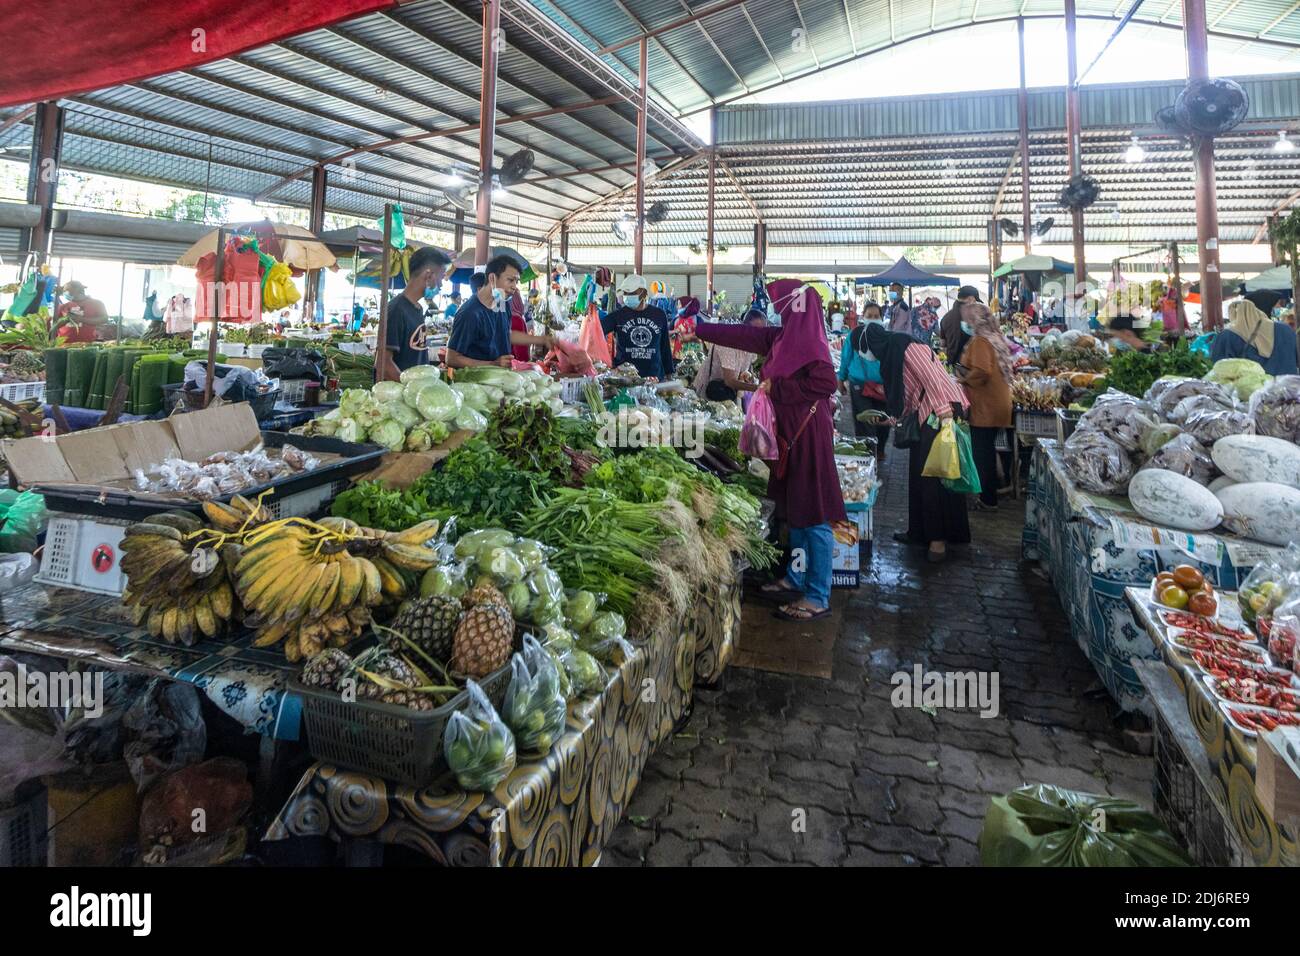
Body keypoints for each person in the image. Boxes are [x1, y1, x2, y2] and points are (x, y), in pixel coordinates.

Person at [685, 280, 846, 620]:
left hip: (808, 438)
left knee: (813, 514)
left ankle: (818, 596)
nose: (779, 311)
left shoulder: (811, 346)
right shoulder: (781, 338)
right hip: (787, 436)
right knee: (795, 511)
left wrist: (779, 387)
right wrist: (699, 327)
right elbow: (742, 336)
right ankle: (795, 575)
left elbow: (826, 383)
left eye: (784, 306)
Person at [866, 322, 970, 563]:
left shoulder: (909, 347)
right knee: (918, 474)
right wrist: (892, 419)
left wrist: (944, 412)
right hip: (928, 413)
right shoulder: (893, 353)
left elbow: (932, 378)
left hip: (940, 412)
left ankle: (938, 541)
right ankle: (919, 532)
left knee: (933, 476)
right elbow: (910, 393)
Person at [446, 254, 553, 370]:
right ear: (492, 278)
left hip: (501, 379)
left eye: (516, 282)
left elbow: (506, 334)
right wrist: (493, 364)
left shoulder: (502, 303)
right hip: (477, 383)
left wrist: (541, 339)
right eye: (510, 280)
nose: (514, 287)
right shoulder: (469, 313)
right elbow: (451, 358)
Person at [955, 303, 1013, 512]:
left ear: (974, 321)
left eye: (967, 320)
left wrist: (963, 380)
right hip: (999, 401)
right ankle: (998, 488)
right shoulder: (995, 336)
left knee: (983, 452)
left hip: (986, 404)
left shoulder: (980, 341)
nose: (965, 324)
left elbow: (981, 371)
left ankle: (988, 499)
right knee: (989, 448)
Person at [378, 246, 451, 381]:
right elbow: (383, 363)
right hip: (401, 396)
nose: (441, 285)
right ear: (428, 276)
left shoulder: (417, 308)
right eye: (441, 277)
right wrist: (410, 389)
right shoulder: (396, 309)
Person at [837, 301, 890, 461]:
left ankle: (879, 450)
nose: (873, 319)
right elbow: (845, 359)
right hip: (859, 384)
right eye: (869, 316)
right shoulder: (854, 335)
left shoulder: (887, 337)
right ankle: (867, 454)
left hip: (883, 385)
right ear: (863, 317)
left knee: (883, 419)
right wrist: (841, 379)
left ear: (881, 318)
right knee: (863, 420)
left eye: (876, 316)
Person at [600, 274, 674, 381]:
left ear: (643, 293)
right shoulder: (618, 315)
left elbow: (665, 346)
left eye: (631, 293)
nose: (627, 296)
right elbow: (597, 331)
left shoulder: (659, 314)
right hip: (625, 379)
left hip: (654, 378)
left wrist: (669, 374)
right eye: (625, 293)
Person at [1211, 291, 1299, 376]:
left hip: (1250, 390)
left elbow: (1219, 369)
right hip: (1289, 387)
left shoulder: (1227, 336)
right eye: (1274, 307)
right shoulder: (1285, 329)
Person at [693, 306, 764, 401]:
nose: (760, 335)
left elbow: (746, 369)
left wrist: (749, 376)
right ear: (745, 327)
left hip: (729, 394)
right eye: (756, 331)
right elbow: (729, 381)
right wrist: (757, 388)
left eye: (763, 331)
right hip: (710, 390)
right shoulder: (728, 342)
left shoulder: (752, 345)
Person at [939, 286, 981, 364]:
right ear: (970, 299)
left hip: (953, 366)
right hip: (971, 366)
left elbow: (942, 344)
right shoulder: (973, 316)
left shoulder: (945, 318)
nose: (975, 304)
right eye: (975, 301)